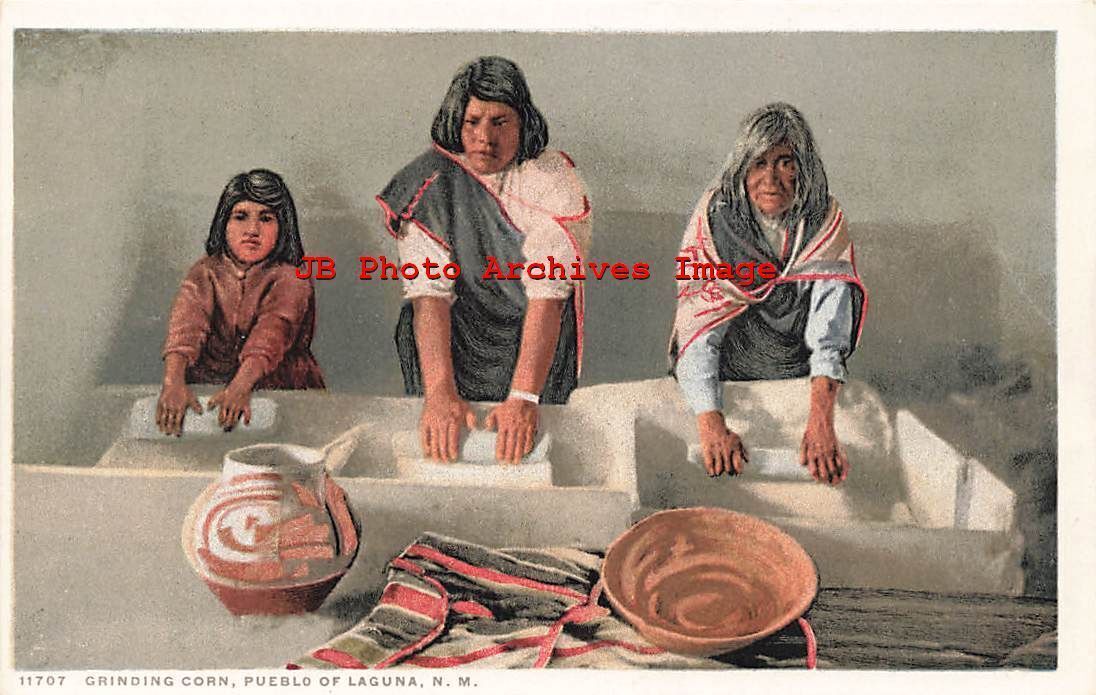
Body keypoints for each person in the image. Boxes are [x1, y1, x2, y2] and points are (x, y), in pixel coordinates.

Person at [377, 56, 591, 465]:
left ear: (523, 122)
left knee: (526, 456)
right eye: (473, 121)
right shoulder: (427, 182)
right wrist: (439, 393)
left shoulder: (554, 180)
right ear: (456, 121)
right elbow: (429, 297)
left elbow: (548, 297)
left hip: (532, 341)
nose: (484, 138)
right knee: (445, 452)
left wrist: (524, 396)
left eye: (500, 122)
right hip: (450, 342)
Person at [670, 103, 867, 485]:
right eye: (758, 163)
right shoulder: (716, 218)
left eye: (785, 162)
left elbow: (830, 334)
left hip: (799, 384)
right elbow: (698, 327)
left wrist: (822, 423)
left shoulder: (825, 219)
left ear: (804, 168)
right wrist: (711, 422)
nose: (770, 179)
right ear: (741, 169)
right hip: (722, 381)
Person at [157, 169, 325, 436]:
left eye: (266, 219)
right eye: (240, 216)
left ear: (283, 226)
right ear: (224, 222)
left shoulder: (292, 277)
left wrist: (240, 387)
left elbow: (270, 336)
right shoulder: (204, 272)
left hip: (279, 394)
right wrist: (173, 382)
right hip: (212, 394)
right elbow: (185, 329)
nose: (252, 230)